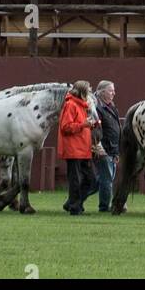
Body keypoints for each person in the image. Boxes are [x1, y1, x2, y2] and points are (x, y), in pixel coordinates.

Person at [58, 80, 99, 216]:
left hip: (83, 149)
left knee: (91, 180)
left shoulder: (82, 106)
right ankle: (75, 207)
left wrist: (91, 125)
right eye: (88, 91)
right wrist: (83, 124)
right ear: (82, 92)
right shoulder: (70, 105)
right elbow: (65, 127)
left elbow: (81, 125)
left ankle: (72, 203)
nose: (90, 94)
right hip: (73, 150)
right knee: (76, 181)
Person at [86, 80, 121, 213]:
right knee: (107, 181)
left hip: (111, 150)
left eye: (113, 90)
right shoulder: (97, 108)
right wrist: (99, 148)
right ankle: (104, 208)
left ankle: (75, 200)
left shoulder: (111, 107)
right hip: (102, 150)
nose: (114, 93)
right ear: (101, 92)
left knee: (100, 182)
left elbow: (115, 130)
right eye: (111, 90)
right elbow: (96, 130)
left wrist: (116, 152)